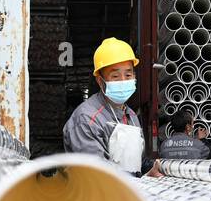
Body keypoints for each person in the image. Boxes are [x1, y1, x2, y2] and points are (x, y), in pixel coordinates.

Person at [63, 38, 160, 176]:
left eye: (128, 74)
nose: (123, 80)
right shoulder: (87, 119)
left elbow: (135, 163)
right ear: (100, 81)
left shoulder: (131, 116)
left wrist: (152, 168)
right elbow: (95, 173)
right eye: (115, 76)